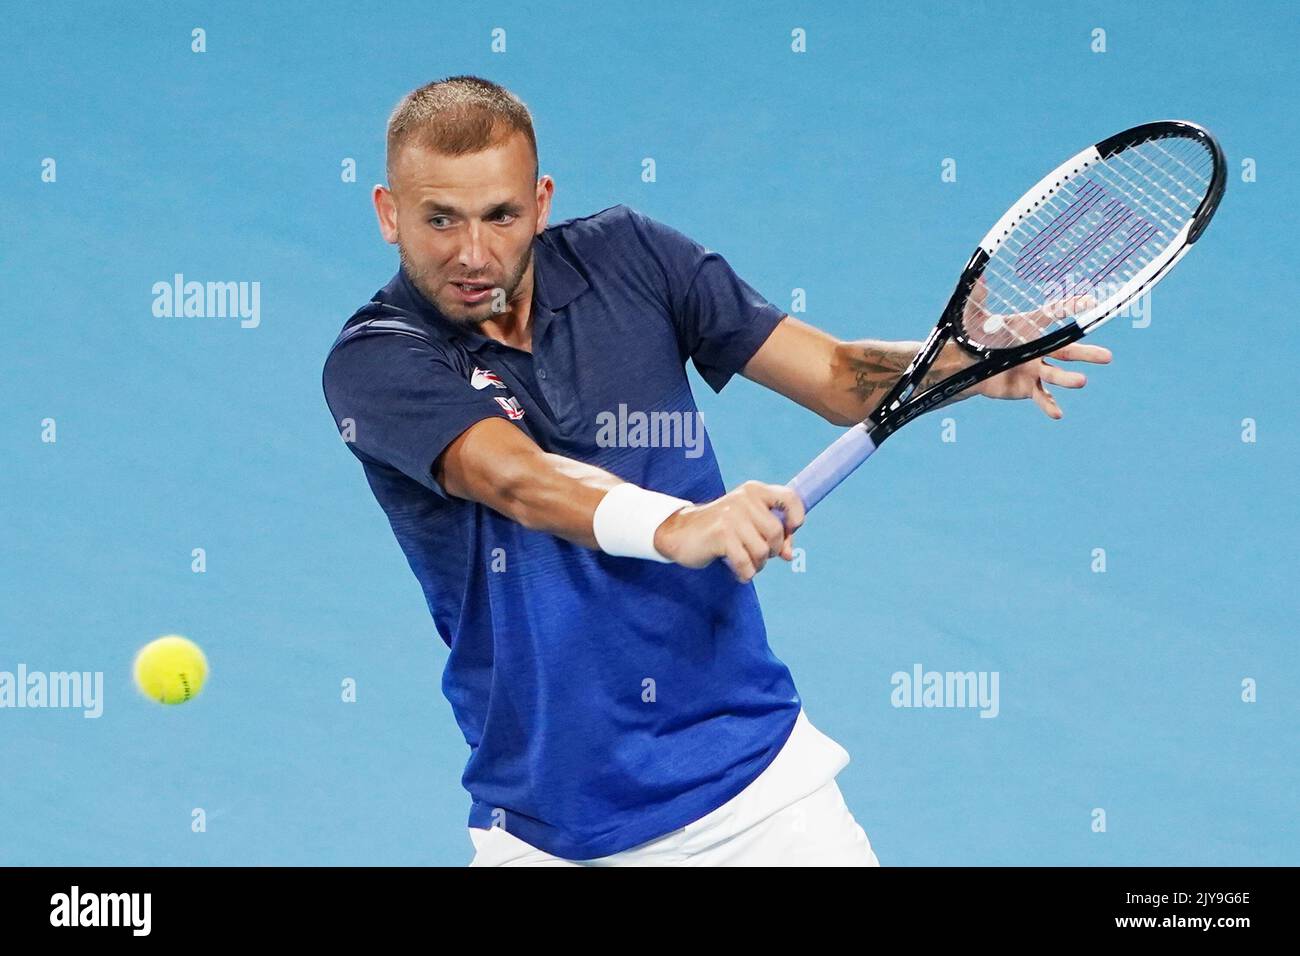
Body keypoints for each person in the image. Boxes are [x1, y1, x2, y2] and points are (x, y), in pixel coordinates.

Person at [321, 75, 1111, 866]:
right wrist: (678, 526)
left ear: (541, 201)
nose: (473, 253)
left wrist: (957, 366)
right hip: (555, 833)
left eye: (501, 216)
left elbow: (835, 375)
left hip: (765, 794)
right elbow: (521, 481)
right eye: (439, 221)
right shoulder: (376, 362)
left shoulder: (631, 256)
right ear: (389, 213)